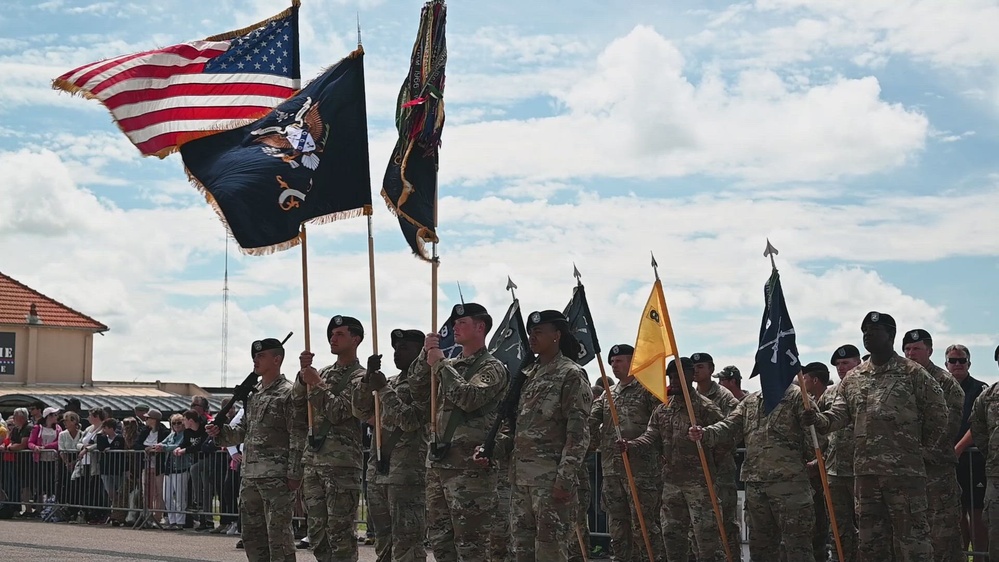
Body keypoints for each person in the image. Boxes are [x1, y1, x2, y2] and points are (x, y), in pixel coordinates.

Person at [812, 311, 947, 562]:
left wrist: (920, 450)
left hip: (904, 474)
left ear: (891, 335)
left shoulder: (912, 373)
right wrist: (819, 420)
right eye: (865, 331)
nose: (868, 335)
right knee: (871, 543)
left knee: (912, 541)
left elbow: (938, 413)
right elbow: (840, 413)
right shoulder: (854, 378)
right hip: (866, 475)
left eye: (874, 331)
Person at [479, 309, 590, 561]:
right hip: (521, 481)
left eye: (539, 332)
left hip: (550, 482)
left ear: (557, 335)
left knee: (550, 552)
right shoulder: (527, 375)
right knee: (522, 552)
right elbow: (518, 430)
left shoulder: (570, 374)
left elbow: (578, 434)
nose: (532, 337)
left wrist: (564, 480)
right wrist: (491, 448)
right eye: (530, 332)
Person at [409, 303, 508, 562]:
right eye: (454, 323)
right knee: (441, 544)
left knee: (471, 546)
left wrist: (440, 364)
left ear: (480, 327)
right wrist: (425, 355)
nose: (455, 327)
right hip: (439, 464)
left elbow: (469, 398)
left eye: (462, 322)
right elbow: (417, 390)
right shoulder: (450, 365)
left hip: (469, 469)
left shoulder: (492, 367)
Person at [690, 363, 816, 561]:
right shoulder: (751, 401)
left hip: (789, 484)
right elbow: (729, 426)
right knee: (760, 546)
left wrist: (814, 460)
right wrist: (704, 433)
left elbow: (816, 437)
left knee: (797, 546)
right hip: (756, 484)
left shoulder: (798, 397)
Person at [209, 337, 306, 562]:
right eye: (254, 356)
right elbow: (243, 430)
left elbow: (297, 435)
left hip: (276, 477)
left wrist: (295, 473)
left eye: (261, 356)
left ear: (277, 359)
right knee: (252, 536)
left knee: (278, 537)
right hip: (251, 475)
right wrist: (220, 432)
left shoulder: (288, 393)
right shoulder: (254, 394)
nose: (256, 360)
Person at [623, 357, 726, 562]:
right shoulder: (663, 408)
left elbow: (724, 438)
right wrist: (630, 445)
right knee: (672, 536)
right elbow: (650, 435)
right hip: (672, 483)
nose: (674, 381)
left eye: (678, 376)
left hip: (700, 484)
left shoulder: (705, 408)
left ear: (691, 376)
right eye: (671, 377)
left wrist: (710, 459)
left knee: (705, 539)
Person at [295, 315, 369, 562]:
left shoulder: (361, 377)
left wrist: (316, 383)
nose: (332, 338)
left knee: (340, 533)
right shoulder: (323, 372)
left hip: (341, 465)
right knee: (317, 534)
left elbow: (339, 412)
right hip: (314, 461)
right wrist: (302, 376)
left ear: (356, 339)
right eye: (331, 334)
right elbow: (296, 404)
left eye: (340, 334)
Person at [352, 328, 428, 562]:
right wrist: (368, 379)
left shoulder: (425, 384)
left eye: (404, 348)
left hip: (406, 474)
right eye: (395, 348)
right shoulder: (391, 381)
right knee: (384, 541)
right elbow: (360, 410)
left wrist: (384, 389)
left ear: (420, 352)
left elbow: (410, 421)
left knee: (407, 543)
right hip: (379, 471)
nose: (397, 352)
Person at [587, 344, 665, 561]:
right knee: (618, 525)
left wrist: (636, 444)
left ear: (632, 363)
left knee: (644, 524)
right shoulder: (608, 395)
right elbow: (591, 421)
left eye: (619, 361)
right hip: (612, 470)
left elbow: (659, 426)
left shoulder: (648, 390)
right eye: (612, 362)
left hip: (642, 470)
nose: (614, 365)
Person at [902, 329, 965, 562]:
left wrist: (918, 451)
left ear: (929, 351)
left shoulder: (944, 382)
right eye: (907, 349)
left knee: (943, 535)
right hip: (907, 472)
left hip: (936, 472)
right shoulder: (899, 381)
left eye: (916, 348)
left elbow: (949, 425)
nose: (911, 353)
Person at [690, 351, 741, 555]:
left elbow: (734, 428)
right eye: (693, 368)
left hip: (721, 467)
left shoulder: (724, 396)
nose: (696, 371)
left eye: (700, 367)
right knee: (700, 522)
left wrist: (719, 449)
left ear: (711, 369)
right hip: (697, 469)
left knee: (726, 519)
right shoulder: (690, 395)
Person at [951, 343, 989, 558]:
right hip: (949, 465)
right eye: (953, 360)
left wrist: (958, 448)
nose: (957, 364)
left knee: (977, 517)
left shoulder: (981, 390)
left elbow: (979, 424)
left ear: (969, 363)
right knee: (955, 516)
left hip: (974, 463)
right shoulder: (939, 388)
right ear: (946, 364)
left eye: (962, 360)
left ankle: (979, 557)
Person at [969, 345, 999, 561]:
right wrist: (992, 453)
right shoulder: (988, 396)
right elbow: (977, 427)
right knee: (996, 535)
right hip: (996, 477)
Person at [155, 413, 193, 530]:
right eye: (174, 423)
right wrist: (159, 445)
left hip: (181, 468)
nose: (176, 425)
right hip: (169, 469)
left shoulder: (185, 434)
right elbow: (164, 442)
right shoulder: (171, 435)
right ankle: (172, 520)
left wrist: (164, 447)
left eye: (179, 423)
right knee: (166, 496)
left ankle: (180, 522)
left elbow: (178, 445)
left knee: (180, 497)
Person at [137, 409, 169, 528]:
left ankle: (157, 517)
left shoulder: (164, 432)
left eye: (148, 418)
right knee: (146, 492)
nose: (146, 420)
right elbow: (137, 444)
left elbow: (165, 445)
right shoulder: (144, 431)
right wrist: (146, 449)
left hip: (159, 466)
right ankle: (147, 516)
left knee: (158, 492)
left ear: (154, 420)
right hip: (146, 465)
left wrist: (155, 449)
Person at [96, 418, 127, 526]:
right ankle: (114, 512)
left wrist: (110, 448)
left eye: (105, 428)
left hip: (117, 469)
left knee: (120, 492)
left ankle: (118, 514)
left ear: (111, 428)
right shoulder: (101, 437)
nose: (103, 430)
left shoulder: (120, 438)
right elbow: (100, 447)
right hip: (105, 469)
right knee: (111, 492)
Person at [28, 406, 62, 505]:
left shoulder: (58, 428)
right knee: (41, 482)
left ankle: (50, 503)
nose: (57, 416)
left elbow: (58, 442)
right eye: (55, 415)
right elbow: (30, 442)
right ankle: (40, 505)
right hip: (40, 460)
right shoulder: (38, 428)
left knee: (52, 482)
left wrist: (45, 447)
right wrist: (35, 447)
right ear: (48, 416)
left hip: (53, 459)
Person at [58, 411, 84, 522]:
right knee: (66, 486)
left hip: (79, 461)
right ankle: (67, 509)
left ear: (74, 421)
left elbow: (81, 449)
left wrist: (74, 462)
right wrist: (67, 463)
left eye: (67, 421)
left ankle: (78, 510)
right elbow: (61, 450)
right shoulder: (62, 434)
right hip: (65, 462)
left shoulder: (82, 434)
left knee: (78, 487)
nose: (65, 423)